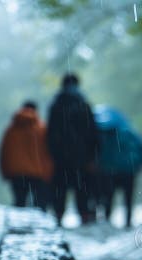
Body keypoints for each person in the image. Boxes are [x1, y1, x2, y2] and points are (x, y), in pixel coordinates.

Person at [46, 73, 98, 226]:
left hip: (60, 158)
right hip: (81, 157)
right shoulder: (84, 104)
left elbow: (50, 134)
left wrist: (52, 153)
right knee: (82, 189)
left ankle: (58, 219)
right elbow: (92, 133)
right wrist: (92, 157)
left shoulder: (55, 105)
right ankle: (84, 218)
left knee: (60, 190)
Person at [93, 105, 142, 228]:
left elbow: (96, 154)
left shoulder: (101, 134)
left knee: (108, 197)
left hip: (109, 171)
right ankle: (128, 223)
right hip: (129, 171)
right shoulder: (128, 131)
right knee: (128, 198)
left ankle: (107, 222)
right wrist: (141, 165)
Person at [0, 101, 53, 209]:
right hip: (38, 172)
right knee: (40, 204)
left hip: (16, 173)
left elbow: (4, 153)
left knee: (20, 202)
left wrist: (5, 172)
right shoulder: (41, 129)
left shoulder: (11, 130)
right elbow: (48, 152)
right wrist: (49, 172)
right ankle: (39, 224)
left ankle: (19, 224)